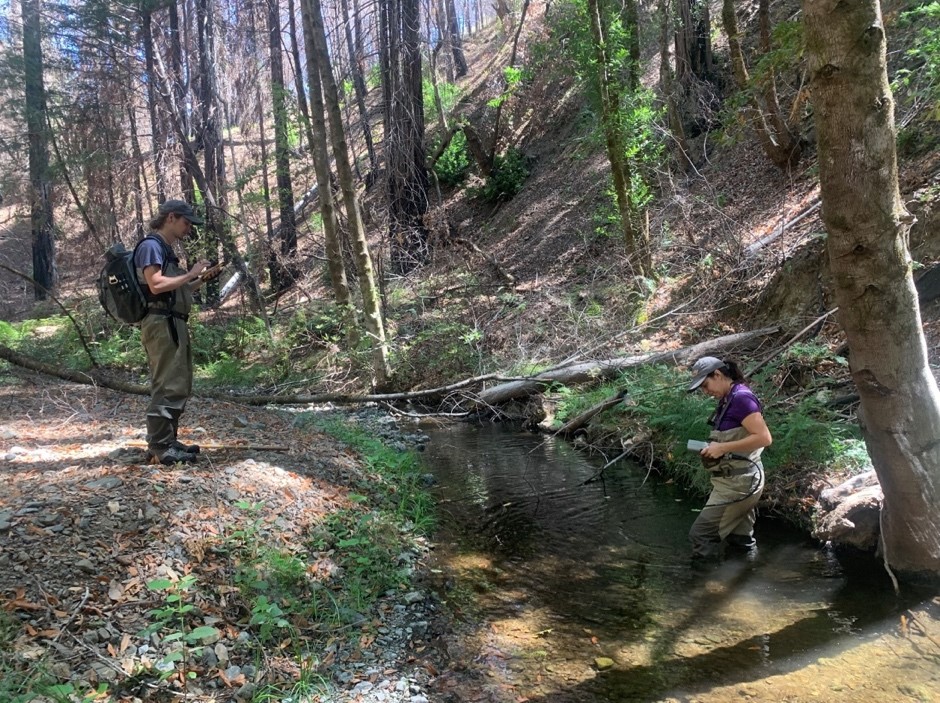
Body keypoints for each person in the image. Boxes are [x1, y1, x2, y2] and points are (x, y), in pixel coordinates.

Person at [134, 200, 211, 465]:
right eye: (186, 222)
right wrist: (191, 272)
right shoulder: (151, 246)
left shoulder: (164, 250)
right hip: (161, 323)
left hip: (173, 321)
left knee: (178, 382)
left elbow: (176, 290)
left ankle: (168, 440)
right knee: (166, 383)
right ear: (171, 218)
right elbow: (155, 285)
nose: (188, 227)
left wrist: (200, 279)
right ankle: (159, 447)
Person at [686, 356, 772, 564]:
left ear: (718, 375)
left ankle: (703, 589)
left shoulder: (742, 398)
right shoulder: (728, 399)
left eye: (706, 385)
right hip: (737, 481)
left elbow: (764, 438)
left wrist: (722, 447)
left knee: (702, 535)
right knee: (739, 539)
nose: (706, 392)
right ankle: (745, 581)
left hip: (739, 484)